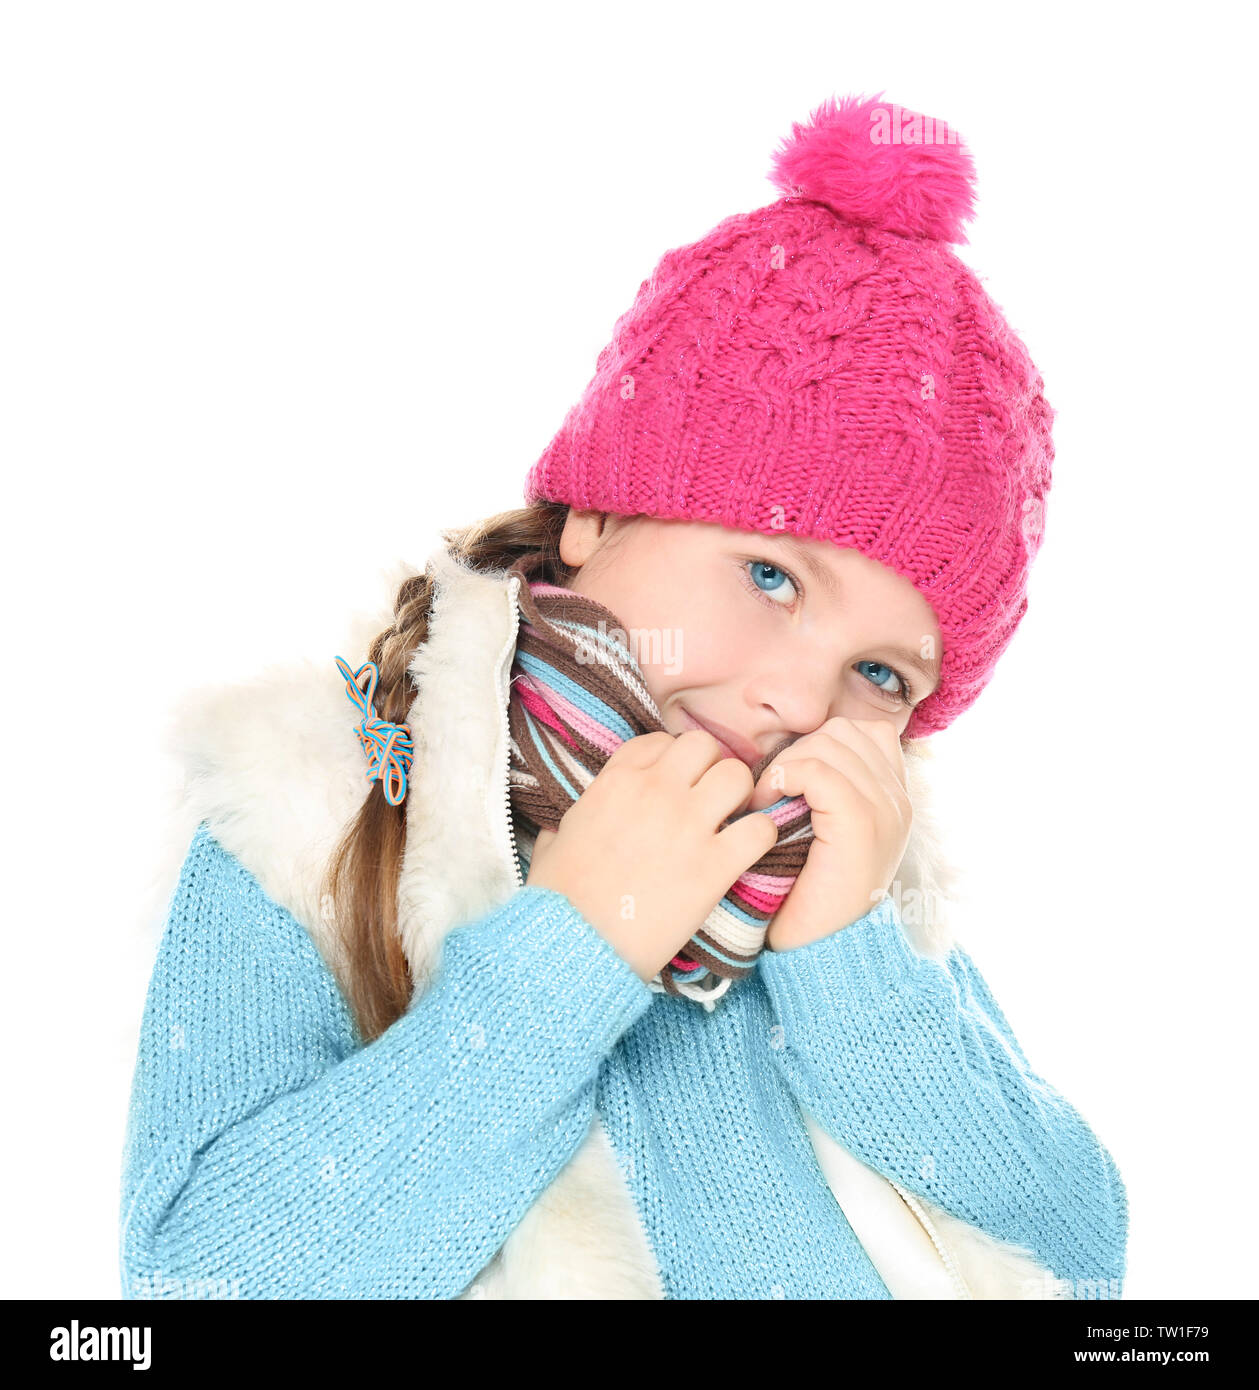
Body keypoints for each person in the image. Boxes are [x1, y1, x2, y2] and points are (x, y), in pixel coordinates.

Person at [119, 92, 1128, 1300]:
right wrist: (577, 948)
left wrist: (855, 981)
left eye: (878, 675)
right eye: (768, 575)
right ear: (596, 514)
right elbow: (189, 1289)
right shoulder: (310, 808)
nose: (797, 699)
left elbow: (1083, 1253)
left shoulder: (841, 890)